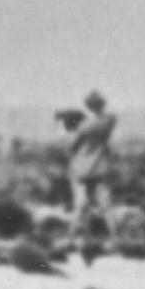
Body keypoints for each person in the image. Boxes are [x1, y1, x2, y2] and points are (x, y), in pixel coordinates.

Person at [58, 90, 119, 243]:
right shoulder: (109, 120)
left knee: (80, 205)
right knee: (107, 205)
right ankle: (116, 237)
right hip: (101, 166)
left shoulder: (84, 127)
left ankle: (71, 237)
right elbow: (105, 120)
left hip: (81, 169)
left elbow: (71, 146)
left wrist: (64, 129)